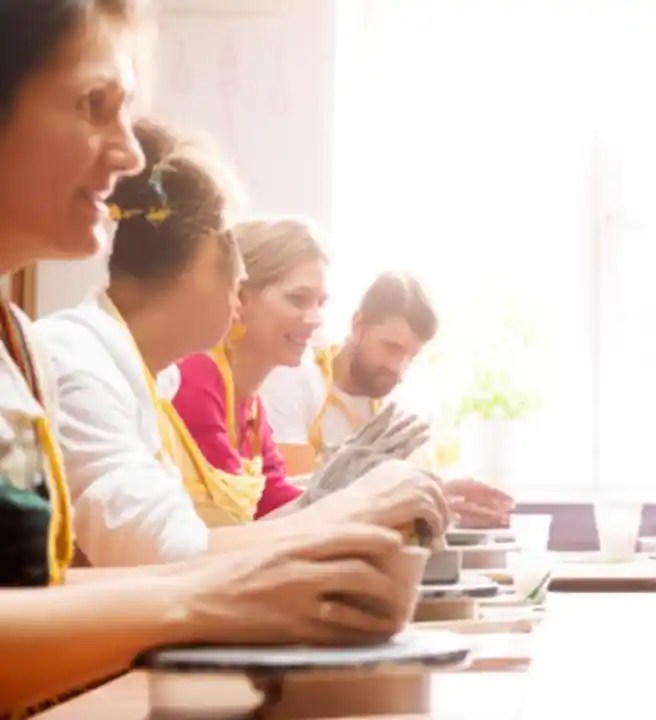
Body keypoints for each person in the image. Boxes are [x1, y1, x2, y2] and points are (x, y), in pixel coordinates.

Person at [0, 1, 421, 712]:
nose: (131, 154)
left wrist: (254, 583)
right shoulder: (76, 355)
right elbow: (163, 555)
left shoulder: (20, 348)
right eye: (93, 105)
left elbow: (32, 590)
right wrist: (220, 593)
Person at [37, 120, 450, 566]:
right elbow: (171, 556)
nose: (239, 281)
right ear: (195, 265)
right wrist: (351, 505)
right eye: (230, 258)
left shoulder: (151, 377)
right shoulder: (79, 362)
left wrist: (322, 498)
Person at [261, 271, 514, 527]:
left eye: (410, 356)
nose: (398, 367)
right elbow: (294, 501)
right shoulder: (295, 378)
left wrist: (442, 495)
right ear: (358, 326)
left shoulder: (391, 415)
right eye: (392, 347)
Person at [171, 217, 326, 518]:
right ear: (240, 297)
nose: (315, 318)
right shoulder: (195, 378)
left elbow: (272, 498)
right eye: (298, 299)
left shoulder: (251, 403)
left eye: (321, 303)